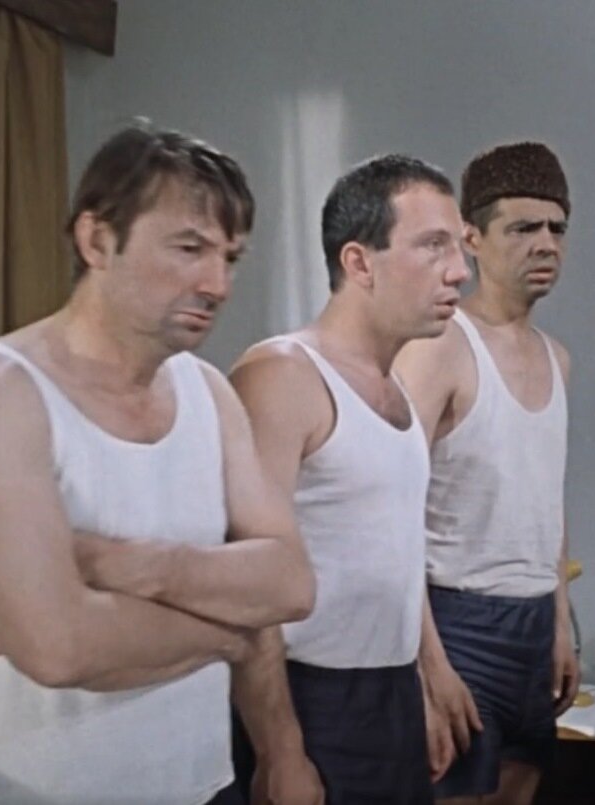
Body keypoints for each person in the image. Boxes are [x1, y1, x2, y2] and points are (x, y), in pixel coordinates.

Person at [0, 123, 316, 805]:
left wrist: (125, 565)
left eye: (230, 257)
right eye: (189, 248)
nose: (217, 283)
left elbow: (290, 582)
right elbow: (59, 647)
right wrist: (232, 630)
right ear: (97, 239)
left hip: (202, 783)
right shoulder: (0, 386)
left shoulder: (209, 392)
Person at [226, 154, 469, 804]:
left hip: (388, 691)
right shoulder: (283, 375)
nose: (459, 270)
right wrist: (280, 751)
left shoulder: (395, 389)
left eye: (458, 247)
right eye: (433, 246)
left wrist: (423, 678)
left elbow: (394, 557)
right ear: (360, 262)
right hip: (310, 695)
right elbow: (249, 589)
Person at [394, 141, 580, 804]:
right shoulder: (438, 347)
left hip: (532, 619)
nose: (545, 244)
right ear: (472, 239)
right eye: (523, 228)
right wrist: (428, 663)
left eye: (556, 227)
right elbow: (390, 511)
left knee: (520, 787)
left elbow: (546, 500)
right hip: (458, 618)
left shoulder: (557, 358)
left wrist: (559, 620)